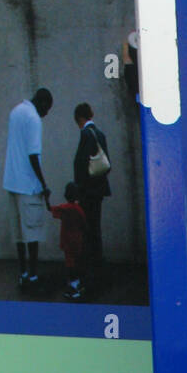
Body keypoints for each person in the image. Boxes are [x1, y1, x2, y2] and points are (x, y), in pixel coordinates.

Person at [3, 88, 53, 290]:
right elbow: (33, 155)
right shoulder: (34, 119)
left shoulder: (16, 111)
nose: (46, 113)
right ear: (42, 103)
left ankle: (22, 273)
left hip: (11, 182)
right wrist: (44, 184)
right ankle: (32, 277)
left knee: (19, 235)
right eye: (47, 109)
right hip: (28, 185)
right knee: (32, 233)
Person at [72, 102, 111, 288]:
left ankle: (90, 272)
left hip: (87, 192)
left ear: (79, 119)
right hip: (99, 190)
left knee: (88, 230)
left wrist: (79, 190)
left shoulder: (85, 135)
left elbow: (81, 165)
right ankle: (99, 267)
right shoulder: (101, 134)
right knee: (96, 228)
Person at [50, 182, 87, 300]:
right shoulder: (79, 209)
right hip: (77, 241)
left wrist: (46, 197)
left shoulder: (64, 208)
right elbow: (84, 225)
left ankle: (73, 286)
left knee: (70, 264)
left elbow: (50, 209)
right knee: (76, 263)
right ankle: (76, 285)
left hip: (67, 242)